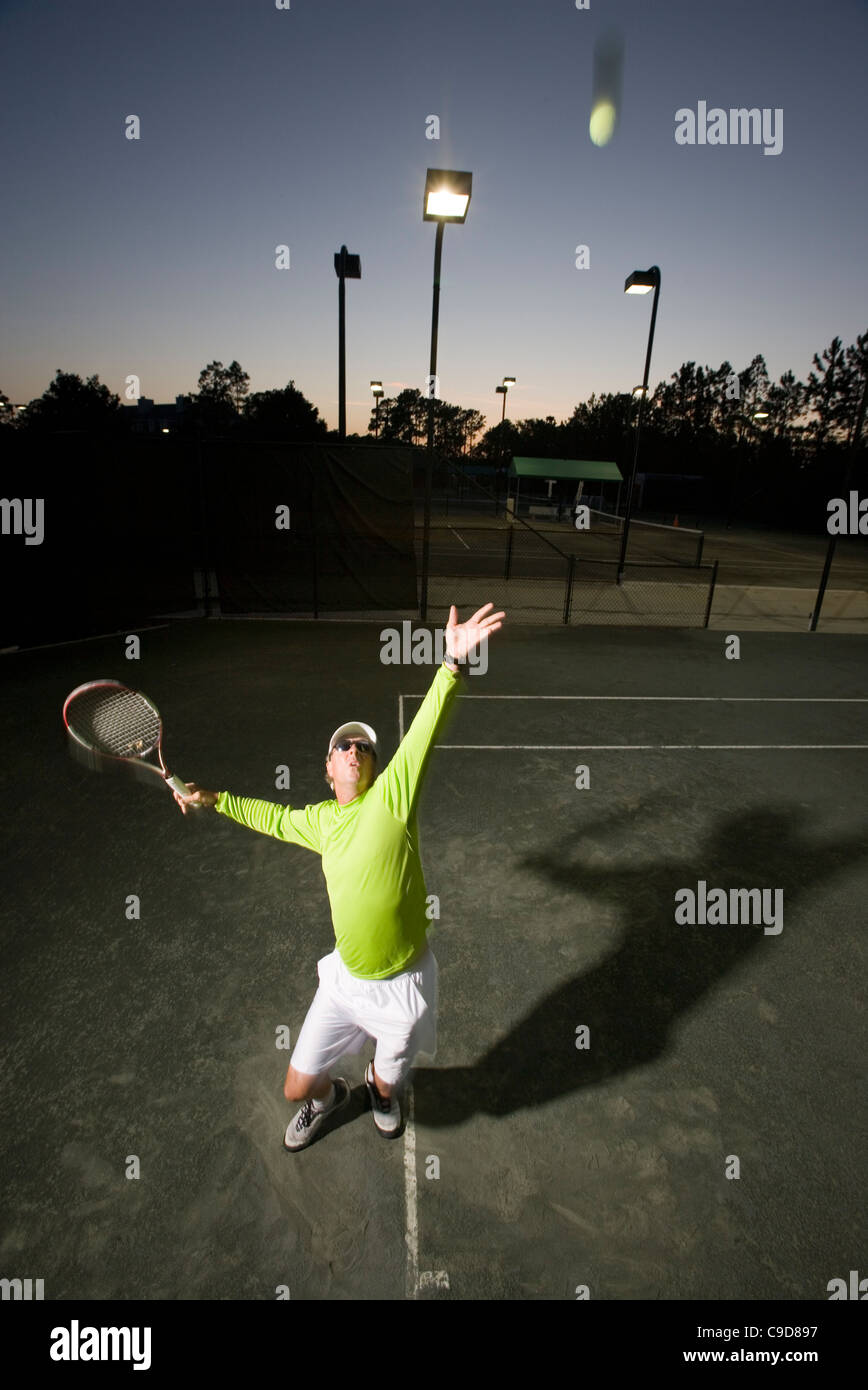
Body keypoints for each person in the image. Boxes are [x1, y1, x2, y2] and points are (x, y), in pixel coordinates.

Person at [173, 602, 505, 1151]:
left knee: (387, 1078)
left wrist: (452, 662)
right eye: (344, 746)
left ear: (375, 764)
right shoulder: (321, 822)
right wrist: (215, 798)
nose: (356, 750)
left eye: (365, 747)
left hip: (402, 985)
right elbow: (271, 816)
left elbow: (426, 727)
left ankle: (379, 1091)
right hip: (347, 984)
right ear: (329, 770)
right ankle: (329, 1100)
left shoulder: (393, 796)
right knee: (294, 1086)